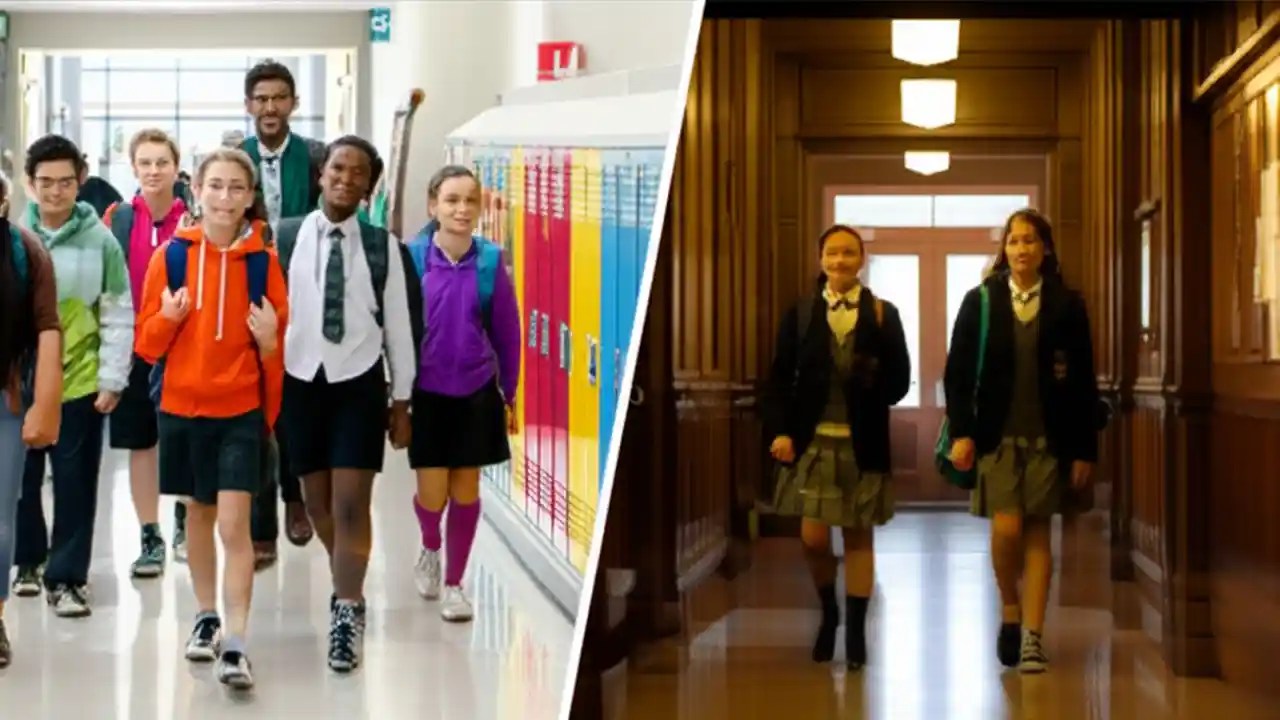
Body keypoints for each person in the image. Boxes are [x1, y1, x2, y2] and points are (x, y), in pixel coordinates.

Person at [134, 147, 287, 689]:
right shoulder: (171, 258)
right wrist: (170, 319)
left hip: (239, 412)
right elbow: (147, 345)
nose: (224, 197)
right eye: (215, 186)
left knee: (232, 524)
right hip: (180, 410)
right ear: (195, 190)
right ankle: (205, 616)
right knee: (197, 516)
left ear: (249, 198)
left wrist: (269, 341)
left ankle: (238, 642)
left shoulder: (262, 264)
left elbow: (276, 349)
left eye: (236, 188)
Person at [275, 136, 415, 671]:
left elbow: (398, 327)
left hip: (358, 382)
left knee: (354, 502)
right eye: (338, 168)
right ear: (321, 174)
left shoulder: (383, 247)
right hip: (300, 381)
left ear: (369, 185)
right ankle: (346, 578)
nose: (346, 179)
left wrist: (402, 399)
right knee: (317, 505)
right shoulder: (287, 237)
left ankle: (346, 608)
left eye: (359, 173)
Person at [944, 208, 1099, 674]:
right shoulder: (982, 301)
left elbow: (1083, 382)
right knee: (1006, 528)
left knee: (1038, 536)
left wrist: (1083, 449)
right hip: (996, 437)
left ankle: (1032, 636)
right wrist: (962, 431)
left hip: (1050, 439)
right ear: (1004, 249)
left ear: (1045, 248)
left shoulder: (1068, 305)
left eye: (1030, 240)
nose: (1021, 249)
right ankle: (1008, 608)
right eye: (1013, 241)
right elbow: (956, 372)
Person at [760, 224, 910, 670]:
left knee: (859, 536)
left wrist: (870, 375)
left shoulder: (884, 314)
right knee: (812, 537)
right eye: (832, 253)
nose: (840, 261)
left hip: (862, 443)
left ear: (861, 260)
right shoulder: (802, 313)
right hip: (811, 443)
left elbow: (899, 383)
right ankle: (829, 613)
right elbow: (778, 379)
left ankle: (858, 633)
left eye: (848, 253)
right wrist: (780, 432)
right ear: (821, 259)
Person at [11, 135, 133, 617]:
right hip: (20, 382)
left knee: (76, 481)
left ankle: (67, 578)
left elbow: (119, 311)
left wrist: (113, 377)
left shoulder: (101, 241)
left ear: (79, 180)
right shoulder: (15, 239)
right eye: (46, 183)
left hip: (80, 381)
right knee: (20, 480)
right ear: (29, 183)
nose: (56, 193)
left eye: (66, 182)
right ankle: (27, 562)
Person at [407, 165, 520, 622]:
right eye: (451, 200)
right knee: (432, 494)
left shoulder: (491, 262)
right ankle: (429, 547)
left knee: (467, 490)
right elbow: (397, 328)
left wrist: (508, 393)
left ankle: (456, 583)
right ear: (433, 205)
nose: (461, 209)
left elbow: (507, 333)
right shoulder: (413, 257)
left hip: (475, 392)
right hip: (427, 393)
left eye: (470, 200)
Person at [240, 59, 323, 563]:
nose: (270, 107)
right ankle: (260, 522)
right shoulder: (234, 157)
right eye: (261, 99)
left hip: (304, 292)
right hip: (249, 292)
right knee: (252, 408)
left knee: (291, 401)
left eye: (279, 98)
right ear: (249, 105)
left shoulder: (317, 158)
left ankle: (295, 498)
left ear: (294, 103)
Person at [104, 129, 190, 576]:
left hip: (185, 349)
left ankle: (184, 524)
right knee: (141, 444)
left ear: (177, 167)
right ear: (133, 168)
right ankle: (149, 535)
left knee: (182, 440)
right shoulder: (118, 218)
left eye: (162, 162)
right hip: (135, 349)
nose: (154, 170)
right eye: (145, 162)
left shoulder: (193, 218)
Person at [0, 170, 63, 666]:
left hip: (7, 399)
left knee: (1, 518)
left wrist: (45, 404)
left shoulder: (27, 252)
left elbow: (48, 329)